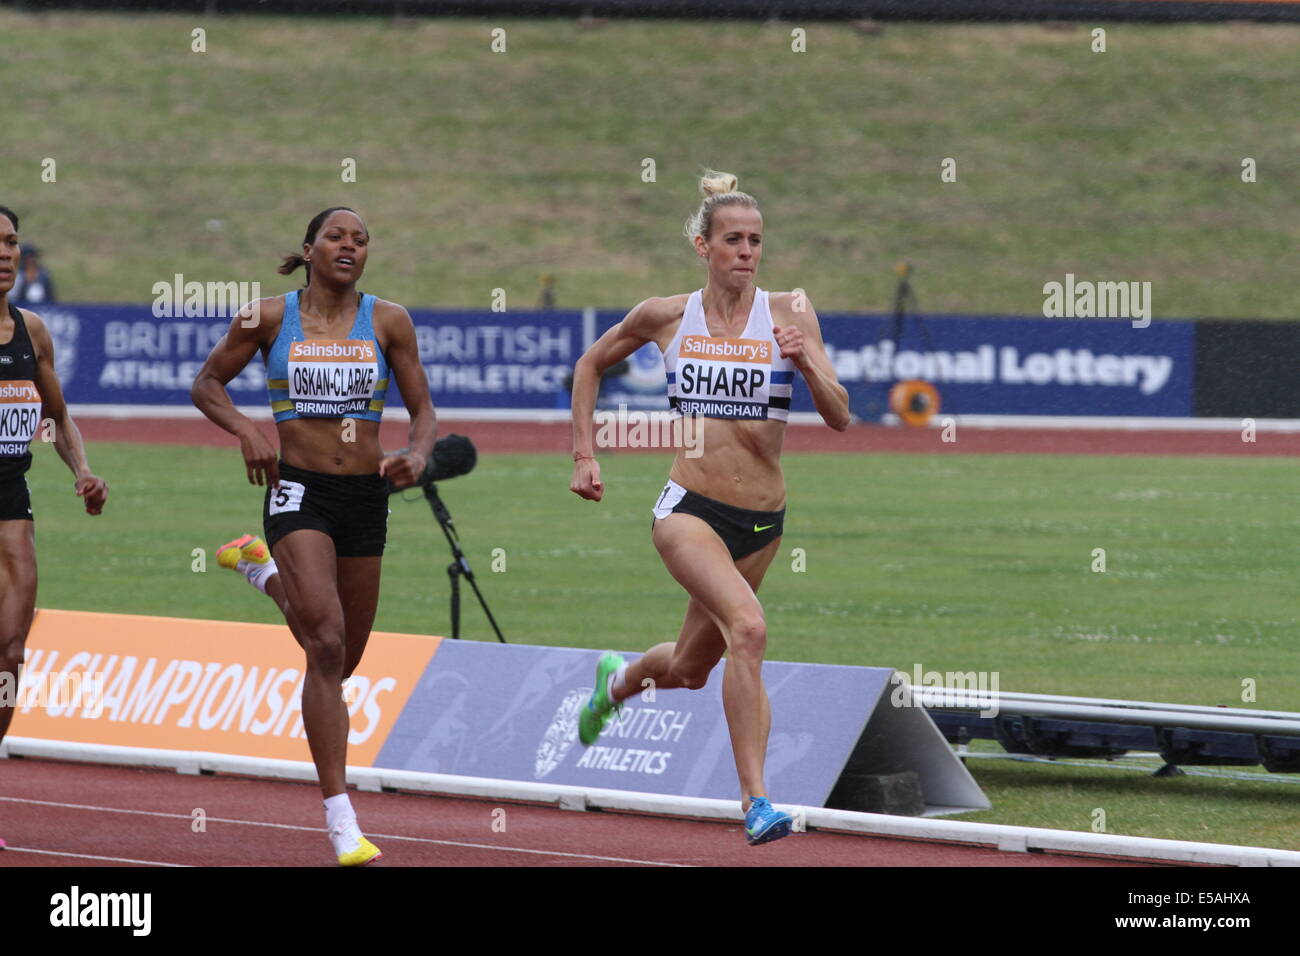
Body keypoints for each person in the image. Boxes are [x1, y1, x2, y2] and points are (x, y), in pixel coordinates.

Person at [569, 173, 849, 845]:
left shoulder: (790, 314)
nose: (747, 252)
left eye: (756, 240)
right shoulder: (666, 316)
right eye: (733, 240)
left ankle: (621, 679)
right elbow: (588, 366)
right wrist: (585, 453)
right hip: (688, 510)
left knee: (692, 671)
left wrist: (807, 363)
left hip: (762, 522)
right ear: (703, 246)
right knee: (747, 631)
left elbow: (840, 416)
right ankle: (757, 802)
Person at [191, 207, 435, 866]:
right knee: (323, 642)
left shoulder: (388, 321)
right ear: (309, 248)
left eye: (361, 239)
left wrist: (416, 453)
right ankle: (341, 820)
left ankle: (259, 570)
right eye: (337, 236)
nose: (350, 246)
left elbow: (424, 412)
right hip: (297, 491)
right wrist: (246, 429)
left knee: (343, 658)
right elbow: (206, 382)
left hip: (364, 498)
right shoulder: (268, 318)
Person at [0, 206, 108, 851]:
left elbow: (59, 418)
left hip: (11, 500)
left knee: (10, 654)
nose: (6, 253)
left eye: (11, 242)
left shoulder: (31, 331)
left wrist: (83, 472)